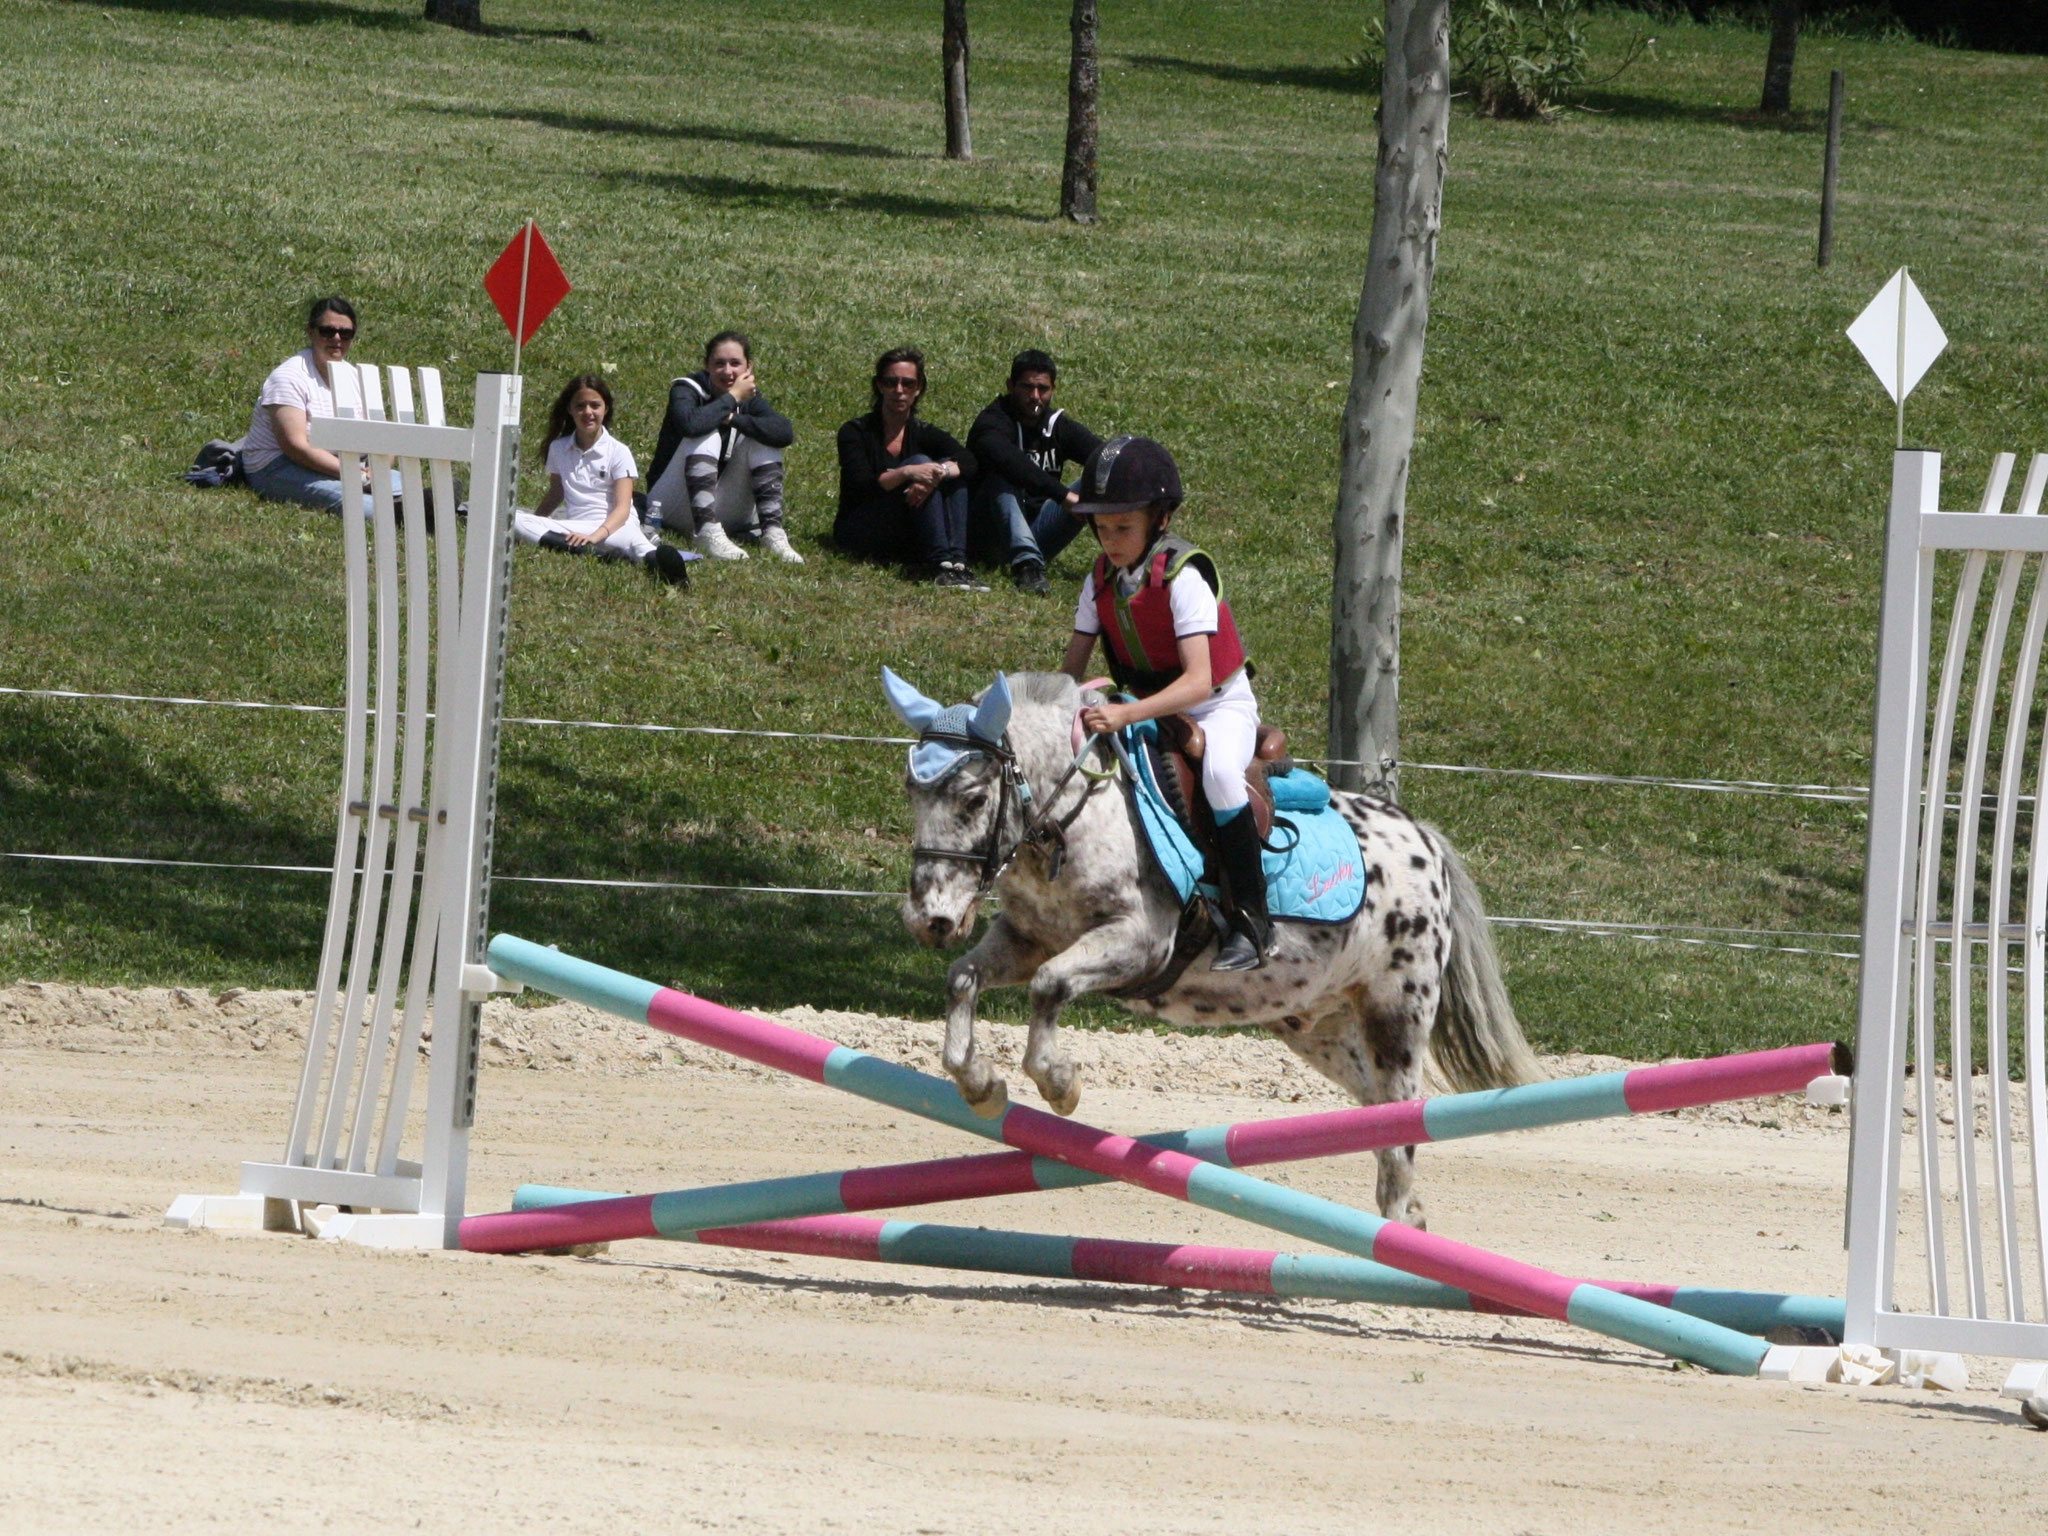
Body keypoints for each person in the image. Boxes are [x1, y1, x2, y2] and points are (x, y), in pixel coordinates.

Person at [1058, 436, 1269, 971]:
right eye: (1102, 528)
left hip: (1217, 706)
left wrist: (1125, 713)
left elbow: (1198, 683)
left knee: (1219, 774)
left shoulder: (1185, 577)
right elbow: (1070, 671)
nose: (1110, 541)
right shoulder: (1099, 580)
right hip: (1144, 704)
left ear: (1160, 519)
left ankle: (1253, 921)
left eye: (1123, 528)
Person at [514, 374, 692, 587]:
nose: (588, 412)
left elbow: (623, 509)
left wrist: (597, 536)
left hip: (617, 527)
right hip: (577, 528)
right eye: (580, 406)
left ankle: (672, 574)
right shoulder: (558, 448)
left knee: (643, 550)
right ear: (570, 409)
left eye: (595, 405)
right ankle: (596, 553)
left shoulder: (618, 451)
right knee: (514, 519)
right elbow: (556, 492)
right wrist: (535, 522)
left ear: (605, 409)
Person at [643, 331, 802, 564]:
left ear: (748, 367)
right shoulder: (686, 389)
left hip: (724, 508)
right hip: (669, 505)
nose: (728, 371)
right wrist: (733, 397)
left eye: (735, 363)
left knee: (764, 439)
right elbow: (691, 425)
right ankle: (706, 532)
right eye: (719, 363)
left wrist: (733, 417)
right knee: (705, 434)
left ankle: (773, 533)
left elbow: (784, 433)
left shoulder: (750, 397)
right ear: (706, 365)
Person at [834, 347, 984, 589]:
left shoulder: (924, 432)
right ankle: (940, 563)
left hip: (905, 529)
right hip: (862, 527)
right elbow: (862, 483)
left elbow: (969, 461)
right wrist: (908, 472)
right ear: (879, 386)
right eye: (891, 382)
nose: (899, 390)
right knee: (921, 461)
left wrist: (937, 475)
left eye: (908, 383)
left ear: (919, 388)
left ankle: (956, 564)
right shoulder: (855, 432)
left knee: (952, 474)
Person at [241, 296, 401, 514]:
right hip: (279, 465)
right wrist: (356, 475)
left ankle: (418, 509)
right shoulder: (288, 377)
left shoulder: (356, 377)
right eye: (327, 331)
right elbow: (295, 446)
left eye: (345, 333)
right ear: (310, 331)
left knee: (410, 489)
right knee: (361, 506)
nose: (337, 339)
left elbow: (383, 437)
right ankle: (400, 514)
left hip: (346, 465)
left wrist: (375, 471)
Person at [966, 348, 1104, 595]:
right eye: (1027, 387)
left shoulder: (1056, 426)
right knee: (1001, 474)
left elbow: (1104, 457)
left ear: (1053, 389)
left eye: (1043, 389)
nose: (1035, 396)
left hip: (1038, 532)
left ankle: (1129, 554)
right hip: (989, 537)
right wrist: (1064, 496)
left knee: (1099, 478)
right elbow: (1011, 462)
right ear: (1010, 386)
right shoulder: (991, 422)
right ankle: (1027, 566)